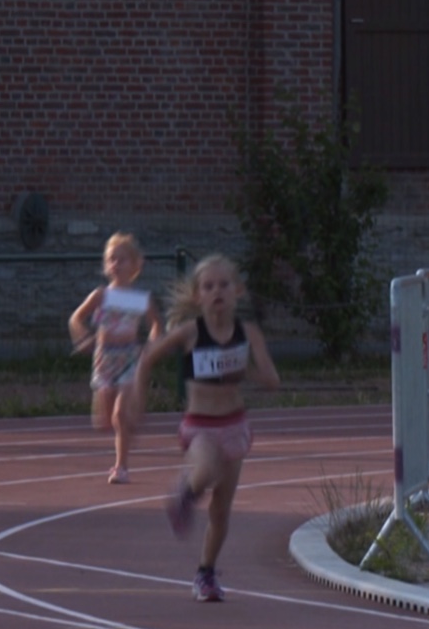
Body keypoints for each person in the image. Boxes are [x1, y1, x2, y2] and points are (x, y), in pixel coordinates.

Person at [134, 254, 279, 602]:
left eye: (224, 285)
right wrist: (138, 402)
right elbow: (148, 358)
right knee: (206, 467)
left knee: (220, 509)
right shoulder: (190, 332)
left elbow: (272, 380)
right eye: (209, 286)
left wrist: (243, 371)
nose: (217, 292)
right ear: (198, 296)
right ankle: (184, 492)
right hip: (199, 426)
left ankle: (206, 573)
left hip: (234, 425)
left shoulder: (248, 334)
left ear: (238, 291)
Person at [68, 232, 162, 484]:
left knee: (119, 416)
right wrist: (83, 338)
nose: (116, 265)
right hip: (104, 359)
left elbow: (156, 326)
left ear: (135, 265)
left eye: (122, 259)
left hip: (129, 358)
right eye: (112, 259)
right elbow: (75, 319)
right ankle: (130, 422)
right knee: (103, 421)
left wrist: (150, 347)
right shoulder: (101, 295)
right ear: (105, 264)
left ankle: (121, 466)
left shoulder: (141, 299)